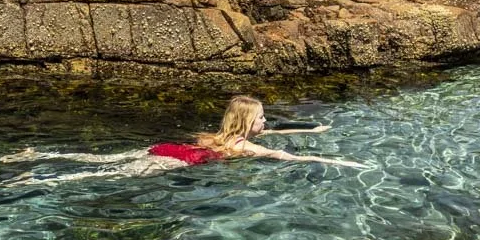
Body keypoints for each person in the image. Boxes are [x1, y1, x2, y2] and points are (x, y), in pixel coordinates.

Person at [148, 95, 364, 168]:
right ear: (248, 122)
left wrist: (314, 131)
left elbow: (272, 133)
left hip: (166, 149)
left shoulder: (224, 135)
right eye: (261, 117)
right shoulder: (247, 146)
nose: (266, 120)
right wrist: (337, 162)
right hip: (185, 161)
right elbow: (292, 157)